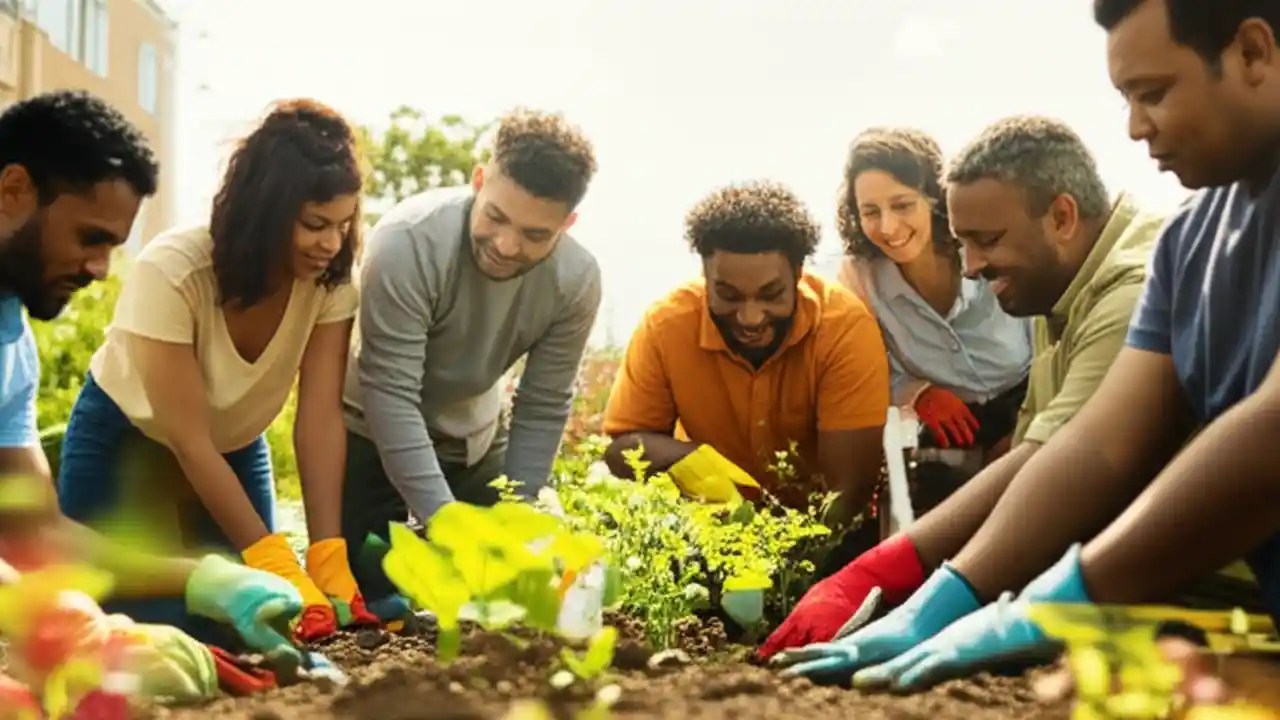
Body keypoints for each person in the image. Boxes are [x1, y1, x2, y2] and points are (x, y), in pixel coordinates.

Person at [772, 0, 1280, 691]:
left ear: (1253, 52)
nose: (1134, 127)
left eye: (1154, 93)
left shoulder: (1133, 272)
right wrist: (943, 594)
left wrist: (1051, 603)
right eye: (1126, 99)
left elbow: (1270, 434)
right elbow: (1100, 444)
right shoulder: (1189, 243)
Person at [759, 116, 1166, 661]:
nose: (970, 267)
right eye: (964, 242)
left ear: (1062, 217)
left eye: (986, 242)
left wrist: (891, 580)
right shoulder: (1055, 280)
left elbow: (1057, 460)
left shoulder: (1132, 289)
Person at [57, 98, 380, 644]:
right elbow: (188, 440)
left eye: (343, 225)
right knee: (142, 622)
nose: (331, 243)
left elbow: (319, 418)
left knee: (249, 623)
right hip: (130, 440)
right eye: (314, 224)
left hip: (233, 447)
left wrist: (327, 553)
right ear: (267, 211)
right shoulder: (174, 270)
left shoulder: (330, 282)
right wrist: (272, 557)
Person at [0, 89, 303, 661]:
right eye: (90, 238)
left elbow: (36, 533)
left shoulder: (13, 351)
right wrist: (57, 616)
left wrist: (203, 576)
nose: (100, 269)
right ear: (13, 190)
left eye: (113, 246)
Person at [341, 107, 602, 603]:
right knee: (378, 589)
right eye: (495, 217)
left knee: (519, 581)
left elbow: (543, 404)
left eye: (535, 235)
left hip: (472, 439)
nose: (506, 245)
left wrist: (517, 517)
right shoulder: (407, 243)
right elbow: (391, 394)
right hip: (367, 432)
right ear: (479, 181)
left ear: (567, 224)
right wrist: (446, 523)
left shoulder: (576, 281)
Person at [602, 180, 890, 525]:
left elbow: (847, 493)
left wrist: (788, 550)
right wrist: (691, 459)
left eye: (771, 295)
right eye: (728, 295)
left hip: (821, 536)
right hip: (710, 529)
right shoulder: (667, 325)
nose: (749, 317)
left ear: (798, 274)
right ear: (705, 275)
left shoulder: (844, 329)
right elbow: (621, 450)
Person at [836, 127, 1031, 464]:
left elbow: (1050, 333)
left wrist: (1031, 425)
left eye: (902, 205)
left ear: (934, 198)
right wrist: (918, 393)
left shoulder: (984, 243)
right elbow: (862, 370)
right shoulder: (860, 278)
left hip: (1031, 398)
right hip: (951, 426)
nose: (887, 227)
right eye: (870, 212)